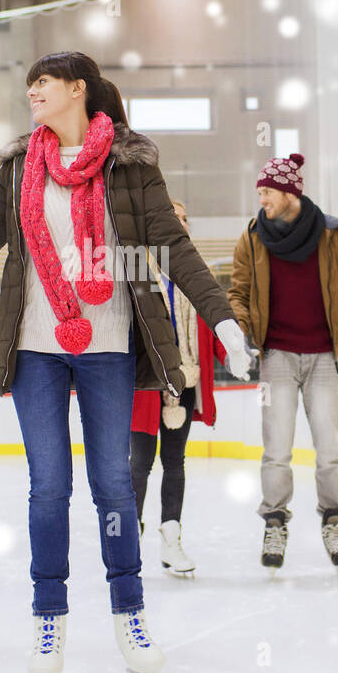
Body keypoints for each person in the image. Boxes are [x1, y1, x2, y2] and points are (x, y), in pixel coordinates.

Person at [0, 51, 252, 673]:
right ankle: (49, 614)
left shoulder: (130, 166)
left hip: (110, 344)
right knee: (49, 486)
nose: (32, 91)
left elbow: (171, 247)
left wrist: (222, 318)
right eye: (29, 82)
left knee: (114, 487)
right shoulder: (18, 169)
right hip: (36, 347)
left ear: (76, 89)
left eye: (44, 82)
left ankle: (130, 611)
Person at [227, 153, 338, 573]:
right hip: (275, 356)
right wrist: (241, 329)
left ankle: (334, 520)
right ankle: (275, 522)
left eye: (266, 193)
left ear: (289, 191)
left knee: (330, 450)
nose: (261, 200)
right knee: (276, 449)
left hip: (324, 357)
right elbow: (239, 292)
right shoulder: (253, 238)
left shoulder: (333, 232)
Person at [129, 200, 230, 578]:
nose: (182, 224)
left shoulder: (195, 270)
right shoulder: (138, 265)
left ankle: (171, 540)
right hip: (145, 381)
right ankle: (129, 540)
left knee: (175, 462)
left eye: (186, 218)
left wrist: (233, 351)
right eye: (175, 218)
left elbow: (213, 315)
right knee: (139, 463)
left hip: (185, 381)